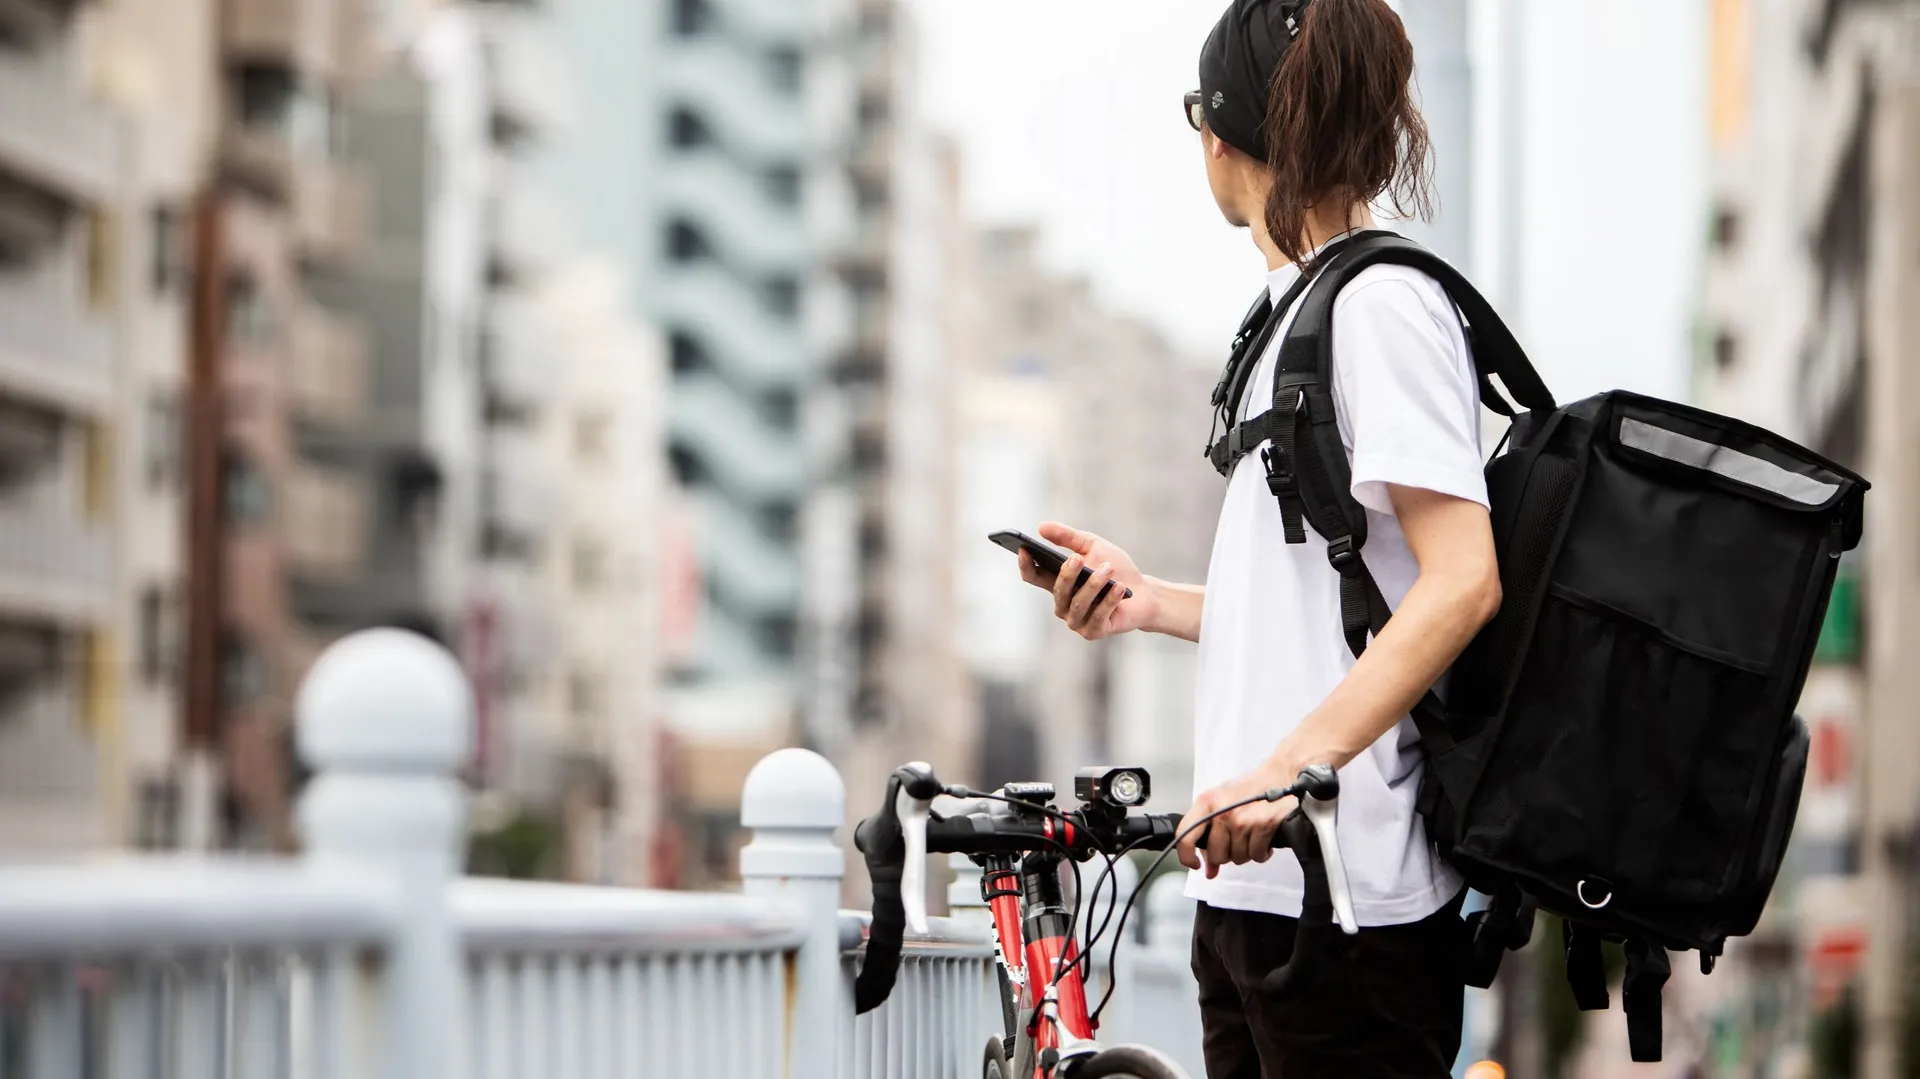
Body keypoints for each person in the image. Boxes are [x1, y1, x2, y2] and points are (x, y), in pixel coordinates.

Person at [1014, 1, 1500, 1075]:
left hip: (1348, 903)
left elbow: (1463, 579)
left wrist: (1284, 771)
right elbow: (1332, 597)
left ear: (1224, 134)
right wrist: (1147, 601)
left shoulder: (1380, 308)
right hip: (1251, 890)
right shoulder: (1297, 311)